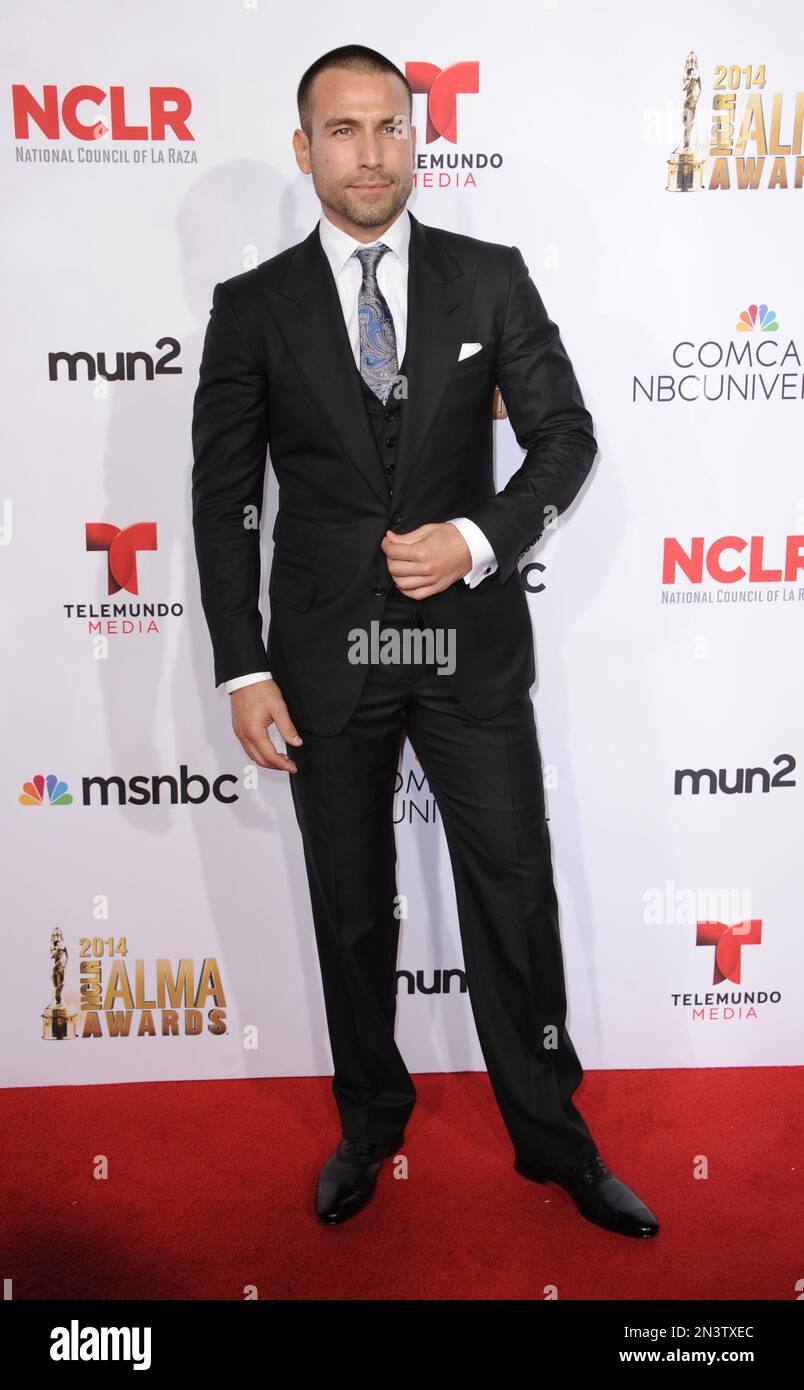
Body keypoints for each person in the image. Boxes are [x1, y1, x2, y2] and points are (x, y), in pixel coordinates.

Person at [191, 44, 659, 1239]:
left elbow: (566, 439)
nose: (370, 152)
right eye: (342, 131)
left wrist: (477, 535)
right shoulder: (251, 308)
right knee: (353, 909)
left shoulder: (489, 279)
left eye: (390, 127)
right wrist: (242, 664)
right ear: (306, 151)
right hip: (322, 659)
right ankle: (369, 1119)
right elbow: (225, 497)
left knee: (514, 898)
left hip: (469, 652)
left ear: (418, 138)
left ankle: (554, 1139)